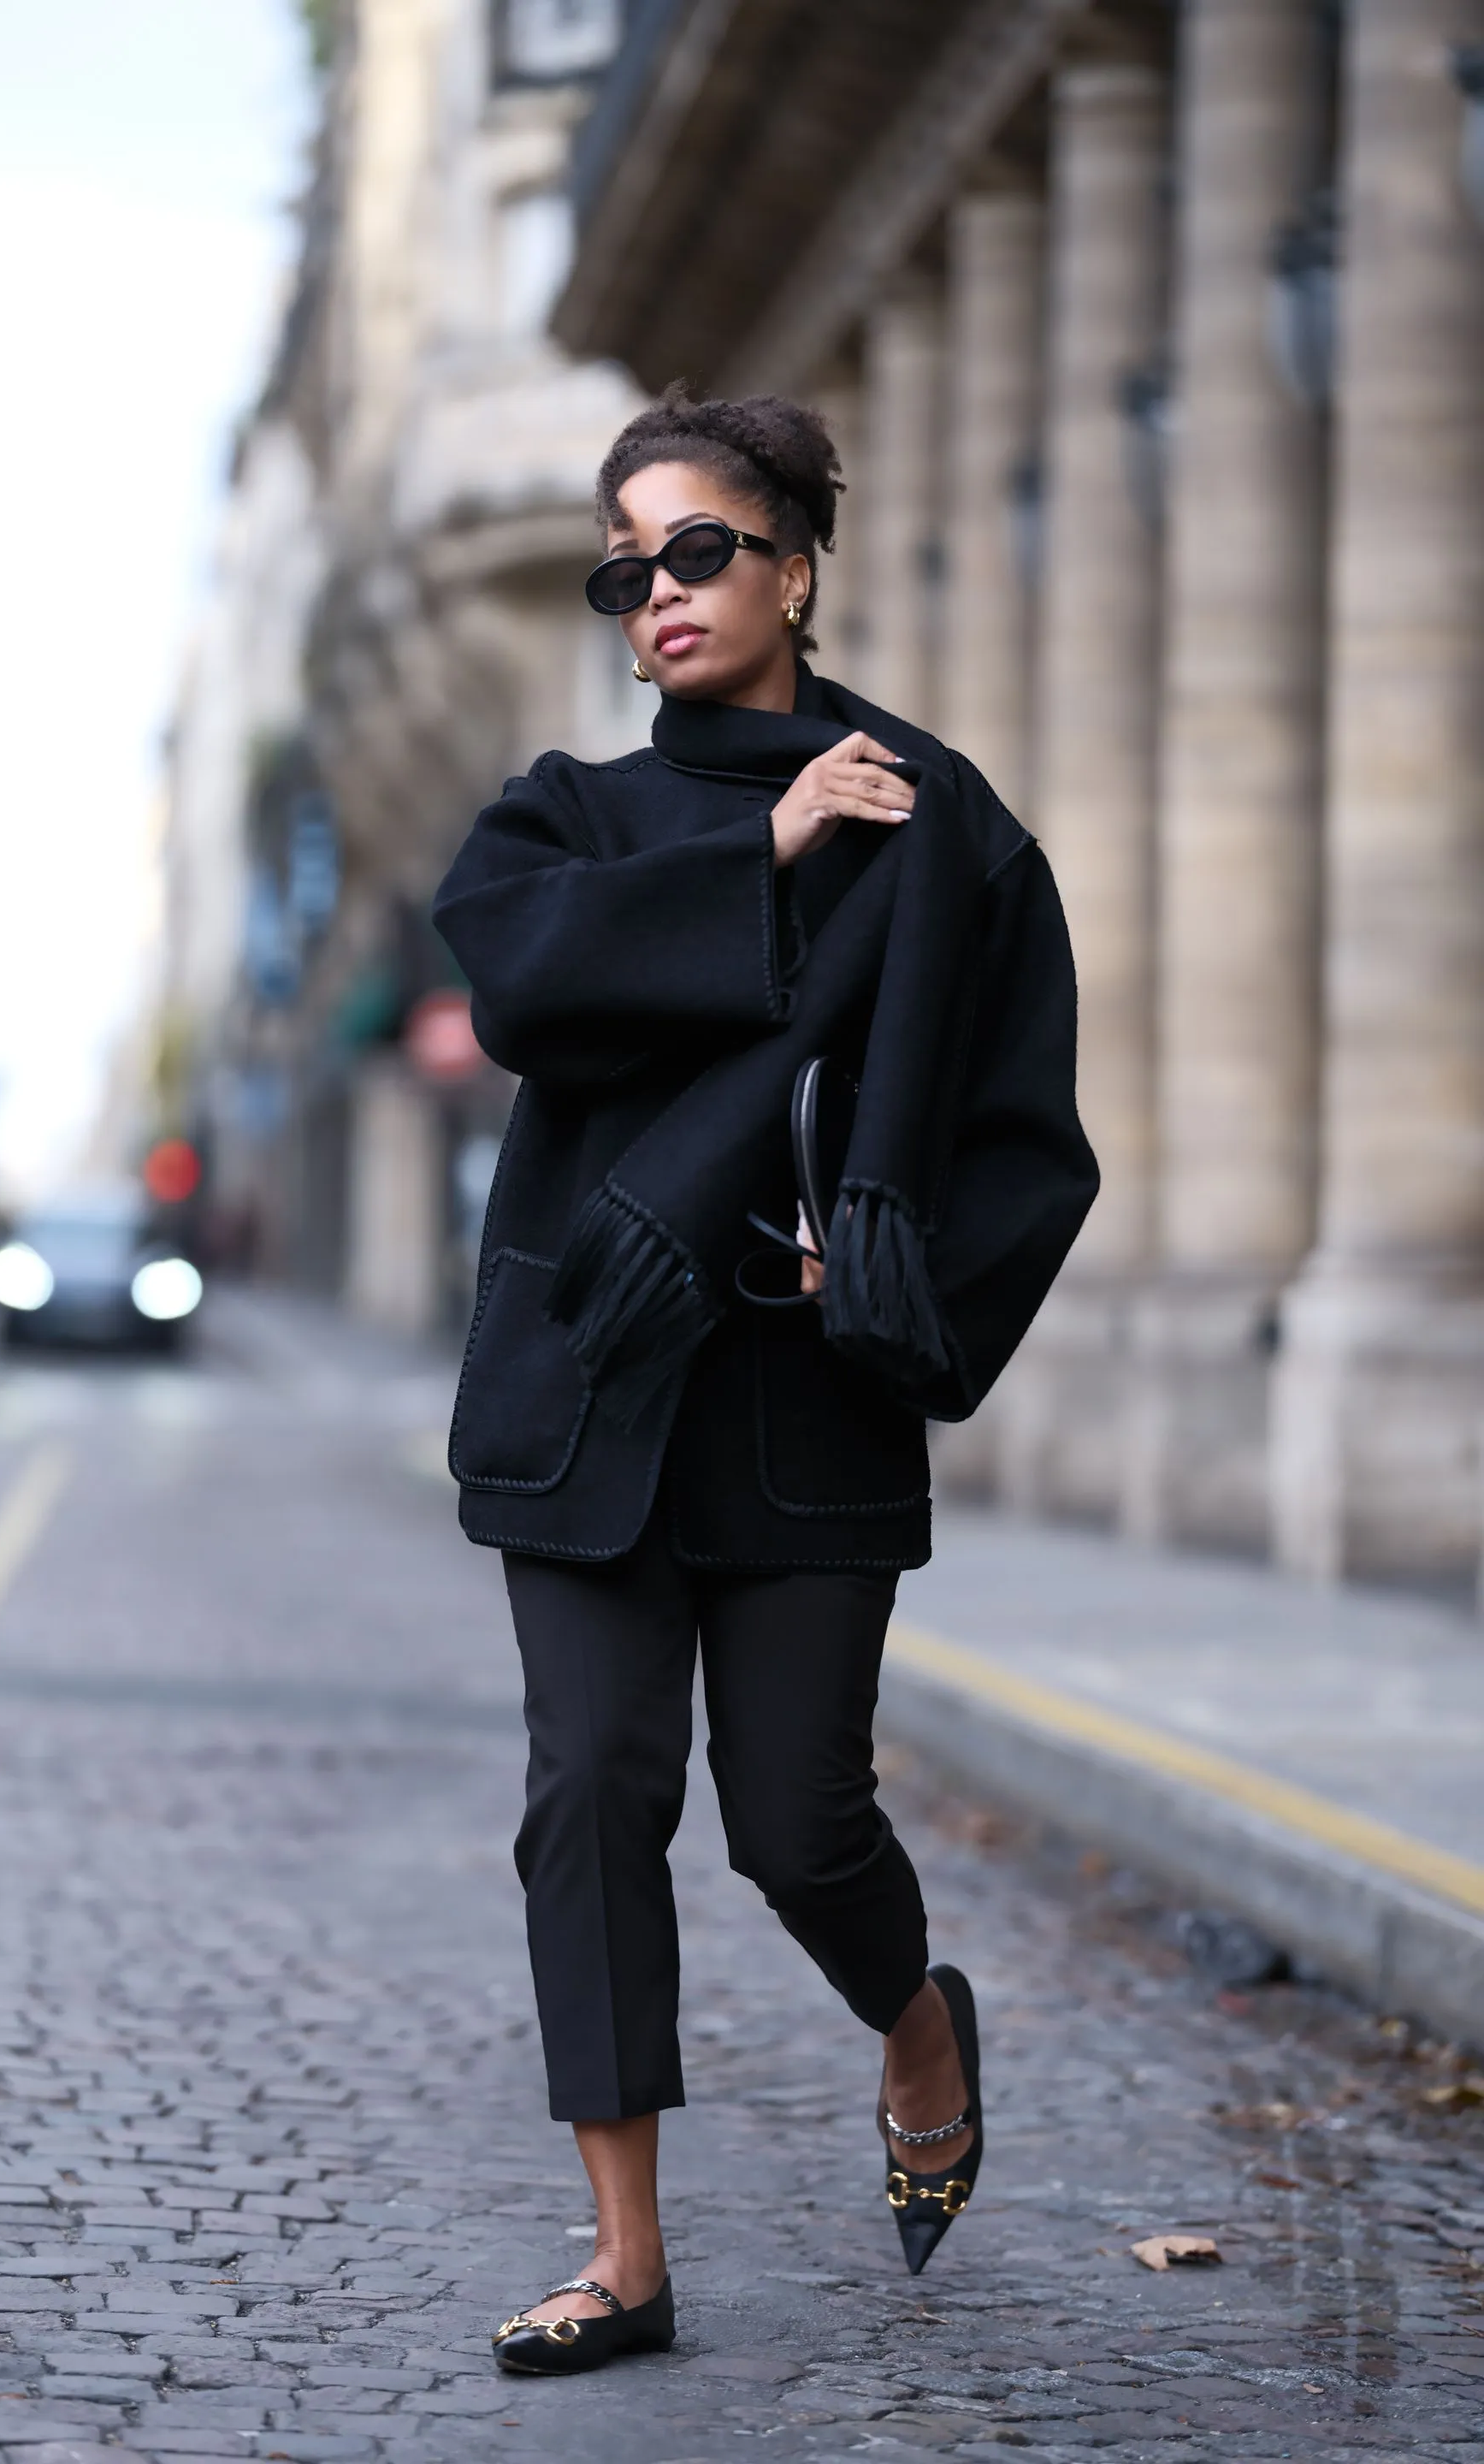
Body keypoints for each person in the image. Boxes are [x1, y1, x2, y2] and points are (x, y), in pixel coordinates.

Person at [433, 385, 1097, 2378]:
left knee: (796, 1825)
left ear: (798, 564)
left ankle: (914, 2022)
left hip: (805, 1400)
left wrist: (895, 1270)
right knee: (591, 1797)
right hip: (587, 1381)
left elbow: (1027, 1132)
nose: (658, 596)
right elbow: (525, 984)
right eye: (624, 570)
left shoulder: (946, 825)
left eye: (699, 550)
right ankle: (624, 2261)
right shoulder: (569, 815)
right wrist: (770, 851)